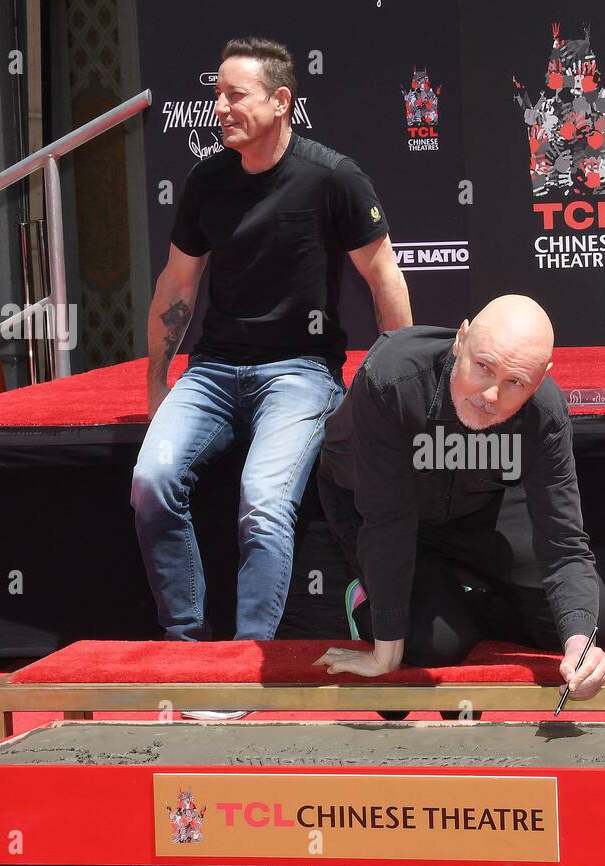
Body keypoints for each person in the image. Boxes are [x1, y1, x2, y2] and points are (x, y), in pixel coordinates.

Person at [131, 37, 411, 663]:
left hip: (301, 373)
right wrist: (156, 383)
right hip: (212, 372)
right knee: (150, 481)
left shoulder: (332, 176)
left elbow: (384, 276)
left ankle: (243, 661)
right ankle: (185, 645)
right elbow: (177, 286)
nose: (221, 107)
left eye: (236, 95)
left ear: (282, 100)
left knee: (262, 502)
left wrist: (389, 387)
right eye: (217, 95)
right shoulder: (206, 181)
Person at [313, 295, 605, 706]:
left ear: (541, 379)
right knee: (431, 645)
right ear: (461, 339)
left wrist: (579, 649)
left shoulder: (545, 413)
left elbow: (564, 544)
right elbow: (387, 519)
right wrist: (385, 649)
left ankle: (460, 600)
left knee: (593, 621)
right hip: (378, 506)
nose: (491, 394)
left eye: (515, 383)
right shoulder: (391, 377)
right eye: (483, 367)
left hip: (479, 503)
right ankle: (367, 598)